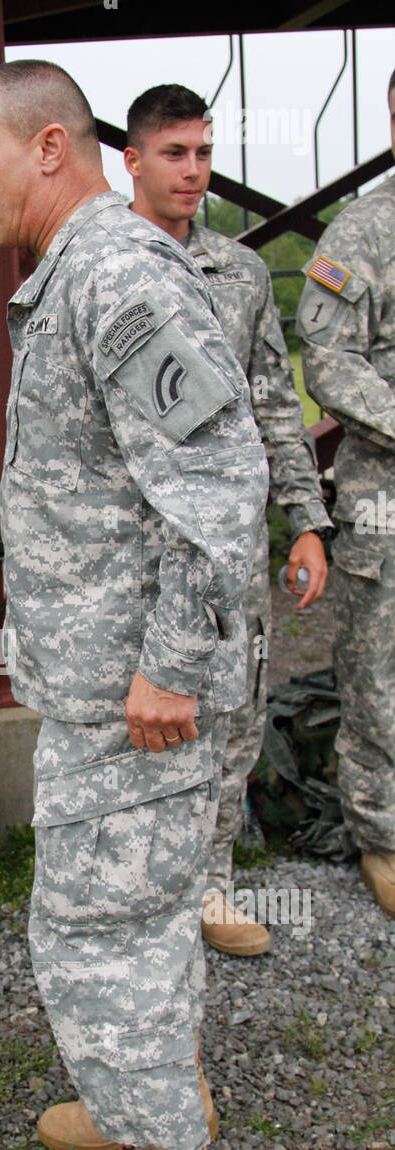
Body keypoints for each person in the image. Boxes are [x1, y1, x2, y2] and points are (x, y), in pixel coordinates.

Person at [0, 59, 268, 1150]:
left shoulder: (118, 276)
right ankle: (150, 1092)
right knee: (135, 922)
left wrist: (173, 666)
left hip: (140, 702)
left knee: (94, 932)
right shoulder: (74, 273)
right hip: (102, 688)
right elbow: (98, 483)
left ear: (52, 148)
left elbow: (221, 479)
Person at [124, 84, 332, 956]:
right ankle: (137, 904)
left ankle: (209, 888)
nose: (194, 171)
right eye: (175, 153)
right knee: (135, 727)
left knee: (233, 720)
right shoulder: (107, 268)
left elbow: (274, 405)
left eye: (204, 153)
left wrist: (307, 520)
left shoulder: (239, 274)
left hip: (232, 553)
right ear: (130, 160)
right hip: (134, 553)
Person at [298, 68, 395, 917]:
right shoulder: (362, 234)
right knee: (381, 668)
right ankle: (385, 835)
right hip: (387, 493)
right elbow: (328, 360)